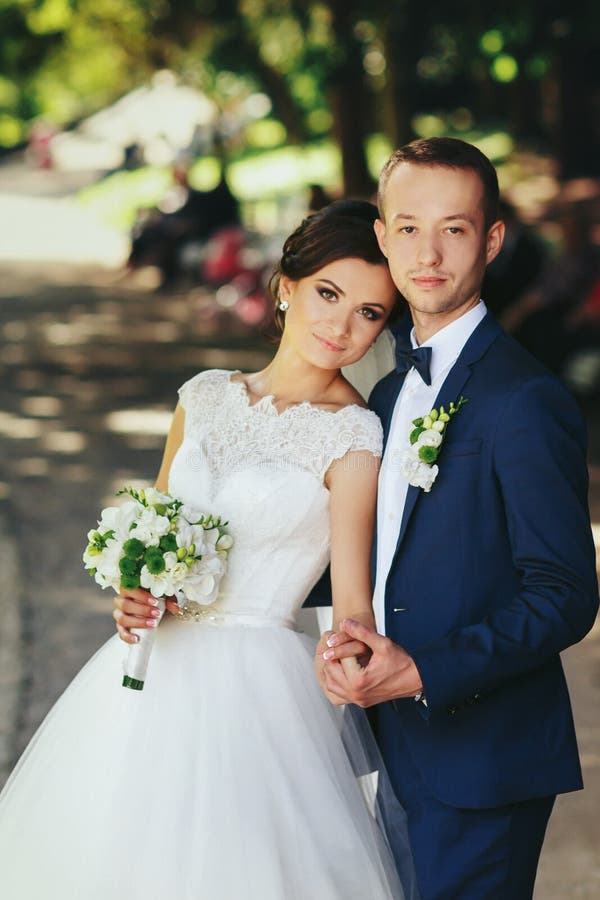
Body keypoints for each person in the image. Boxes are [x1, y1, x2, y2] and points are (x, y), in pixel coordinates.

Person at [0, 201, 419, 899]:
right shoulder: (203, 396)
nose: (342, 326)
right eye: (327, 293)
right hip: (147, 676)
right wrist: (133, 595)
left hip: (260, 695)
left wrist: (358, 673)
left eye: (370, 313)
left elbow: (353, 602)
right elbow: (155, 527)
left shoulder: (353, 438)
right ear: (285, 285)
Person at [317, 138, 599, 900]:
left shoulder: (524, 399)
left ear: (494, 240)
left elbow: (565, 592)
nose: (429, 253)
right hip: (387, 744)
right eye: (408, 228)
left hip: (482, 759)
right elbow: (375, 557)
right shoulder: (383, 397)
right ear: (381, 236)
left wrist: (425, 669)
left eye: (456, 228)